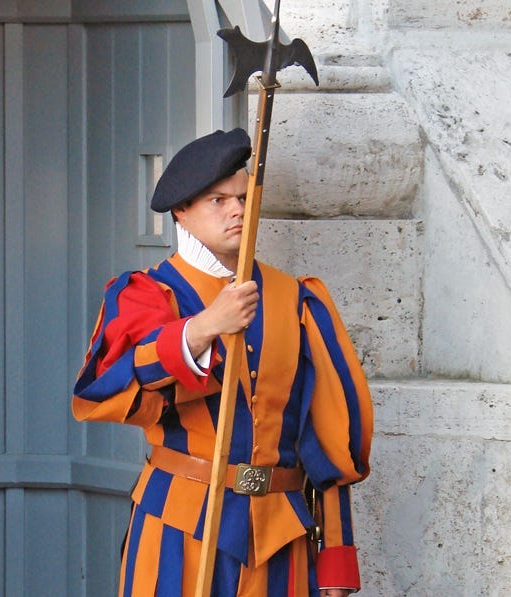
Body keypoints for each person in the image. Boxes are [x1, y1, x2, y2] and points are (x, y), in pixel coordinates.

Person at [72, 128, 373, 596]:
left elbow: (329, 438)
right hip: (179, 528)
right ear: (182, 212)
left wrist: (336, 557)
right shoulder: (147, 295)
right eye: (218, 200)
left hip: (282, 537)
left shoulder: (297, 301)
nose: (237, 210)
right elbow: (114, 391)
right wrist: (203, 328)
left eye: (243, 196)